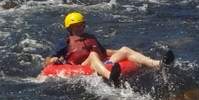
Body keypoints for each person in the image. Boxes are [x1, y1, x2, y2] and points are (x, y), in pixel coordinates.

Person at [44, 12, 173, 83]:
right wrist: (52, 60)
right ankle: (110, 75)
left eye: (81, 25)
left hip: (100, 62)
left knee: (125, 49)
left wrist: (123, 53)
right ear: (69, 28)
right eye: (76, 26)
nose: (80, 28)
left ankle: (158, 64)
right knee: (93, 55)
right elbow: (49, 60)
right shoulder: (65, 42)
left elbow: (104, 52)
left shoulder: (90, 37)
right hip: (83, 65)